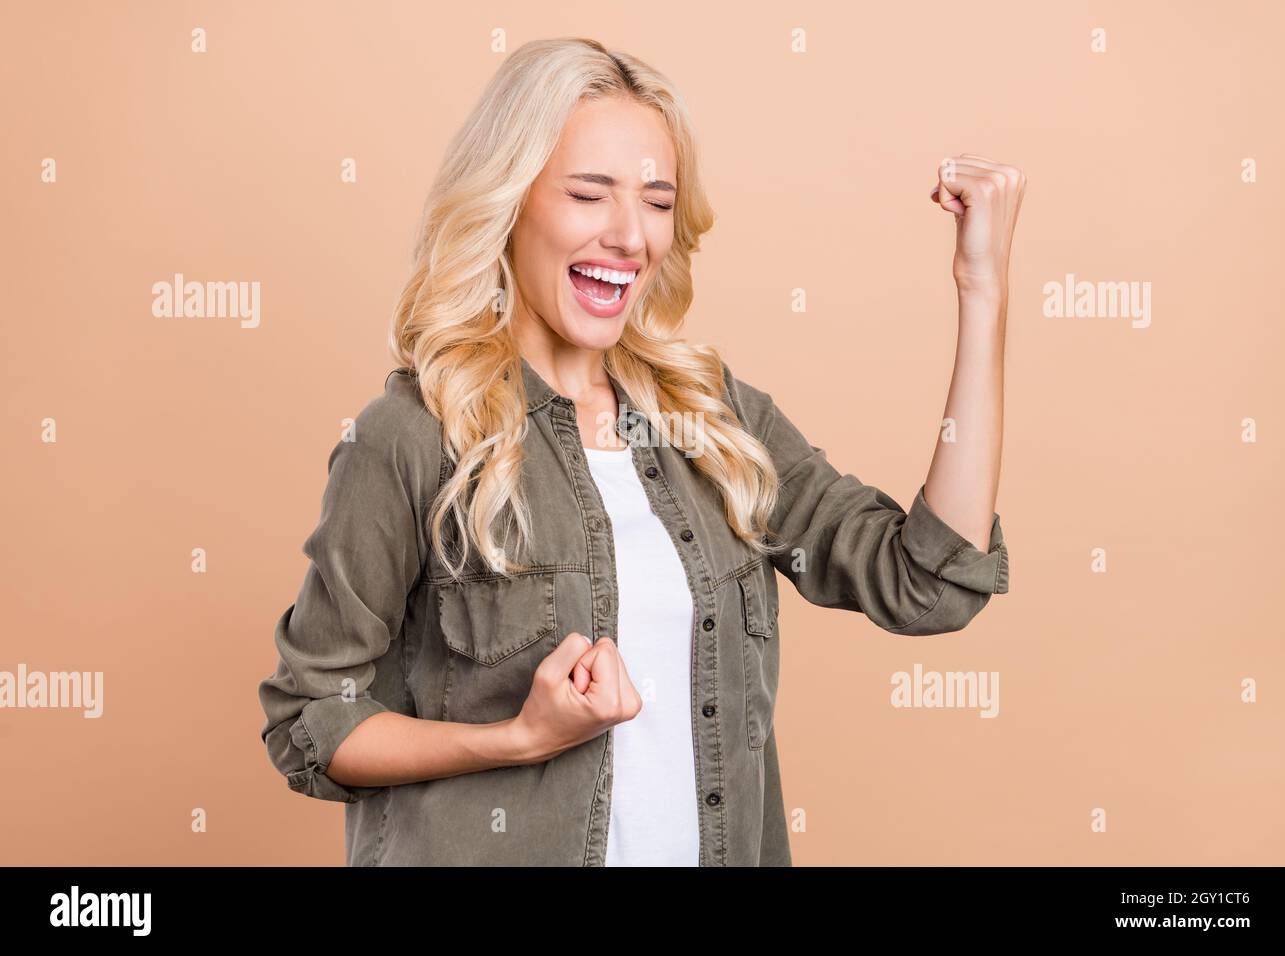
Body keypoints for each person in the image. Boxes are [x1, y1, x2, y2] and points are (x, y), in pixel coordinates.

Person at [256, 36, 1022, 866]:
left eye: (658, 201)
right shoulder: (411, 436)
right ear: (508, 202)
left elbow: (930, 582)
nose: (630, 236)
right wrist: (517, 738)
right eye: (590, 194)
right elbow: (313, 718)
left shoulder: (713, 418)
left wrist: (982, 291)